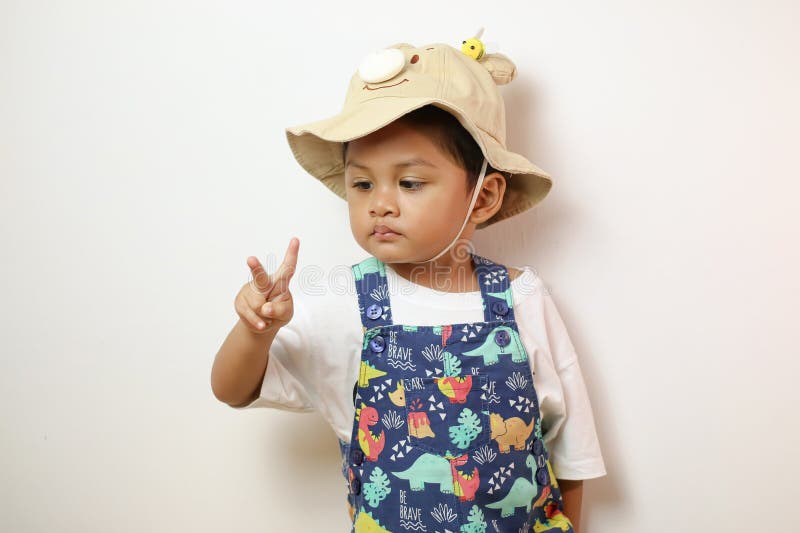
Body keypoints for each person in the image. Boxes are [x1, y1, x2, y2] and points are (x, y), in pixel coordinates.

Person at [211, 36, 606, 533]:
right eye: (362, 184)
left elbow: (573, 447)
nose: (380, 204)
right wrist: (255, 331)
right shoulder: (343, 304)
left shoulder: (521, 298)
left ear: (482, 197)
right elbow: (231, 389)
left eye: (410, 183)